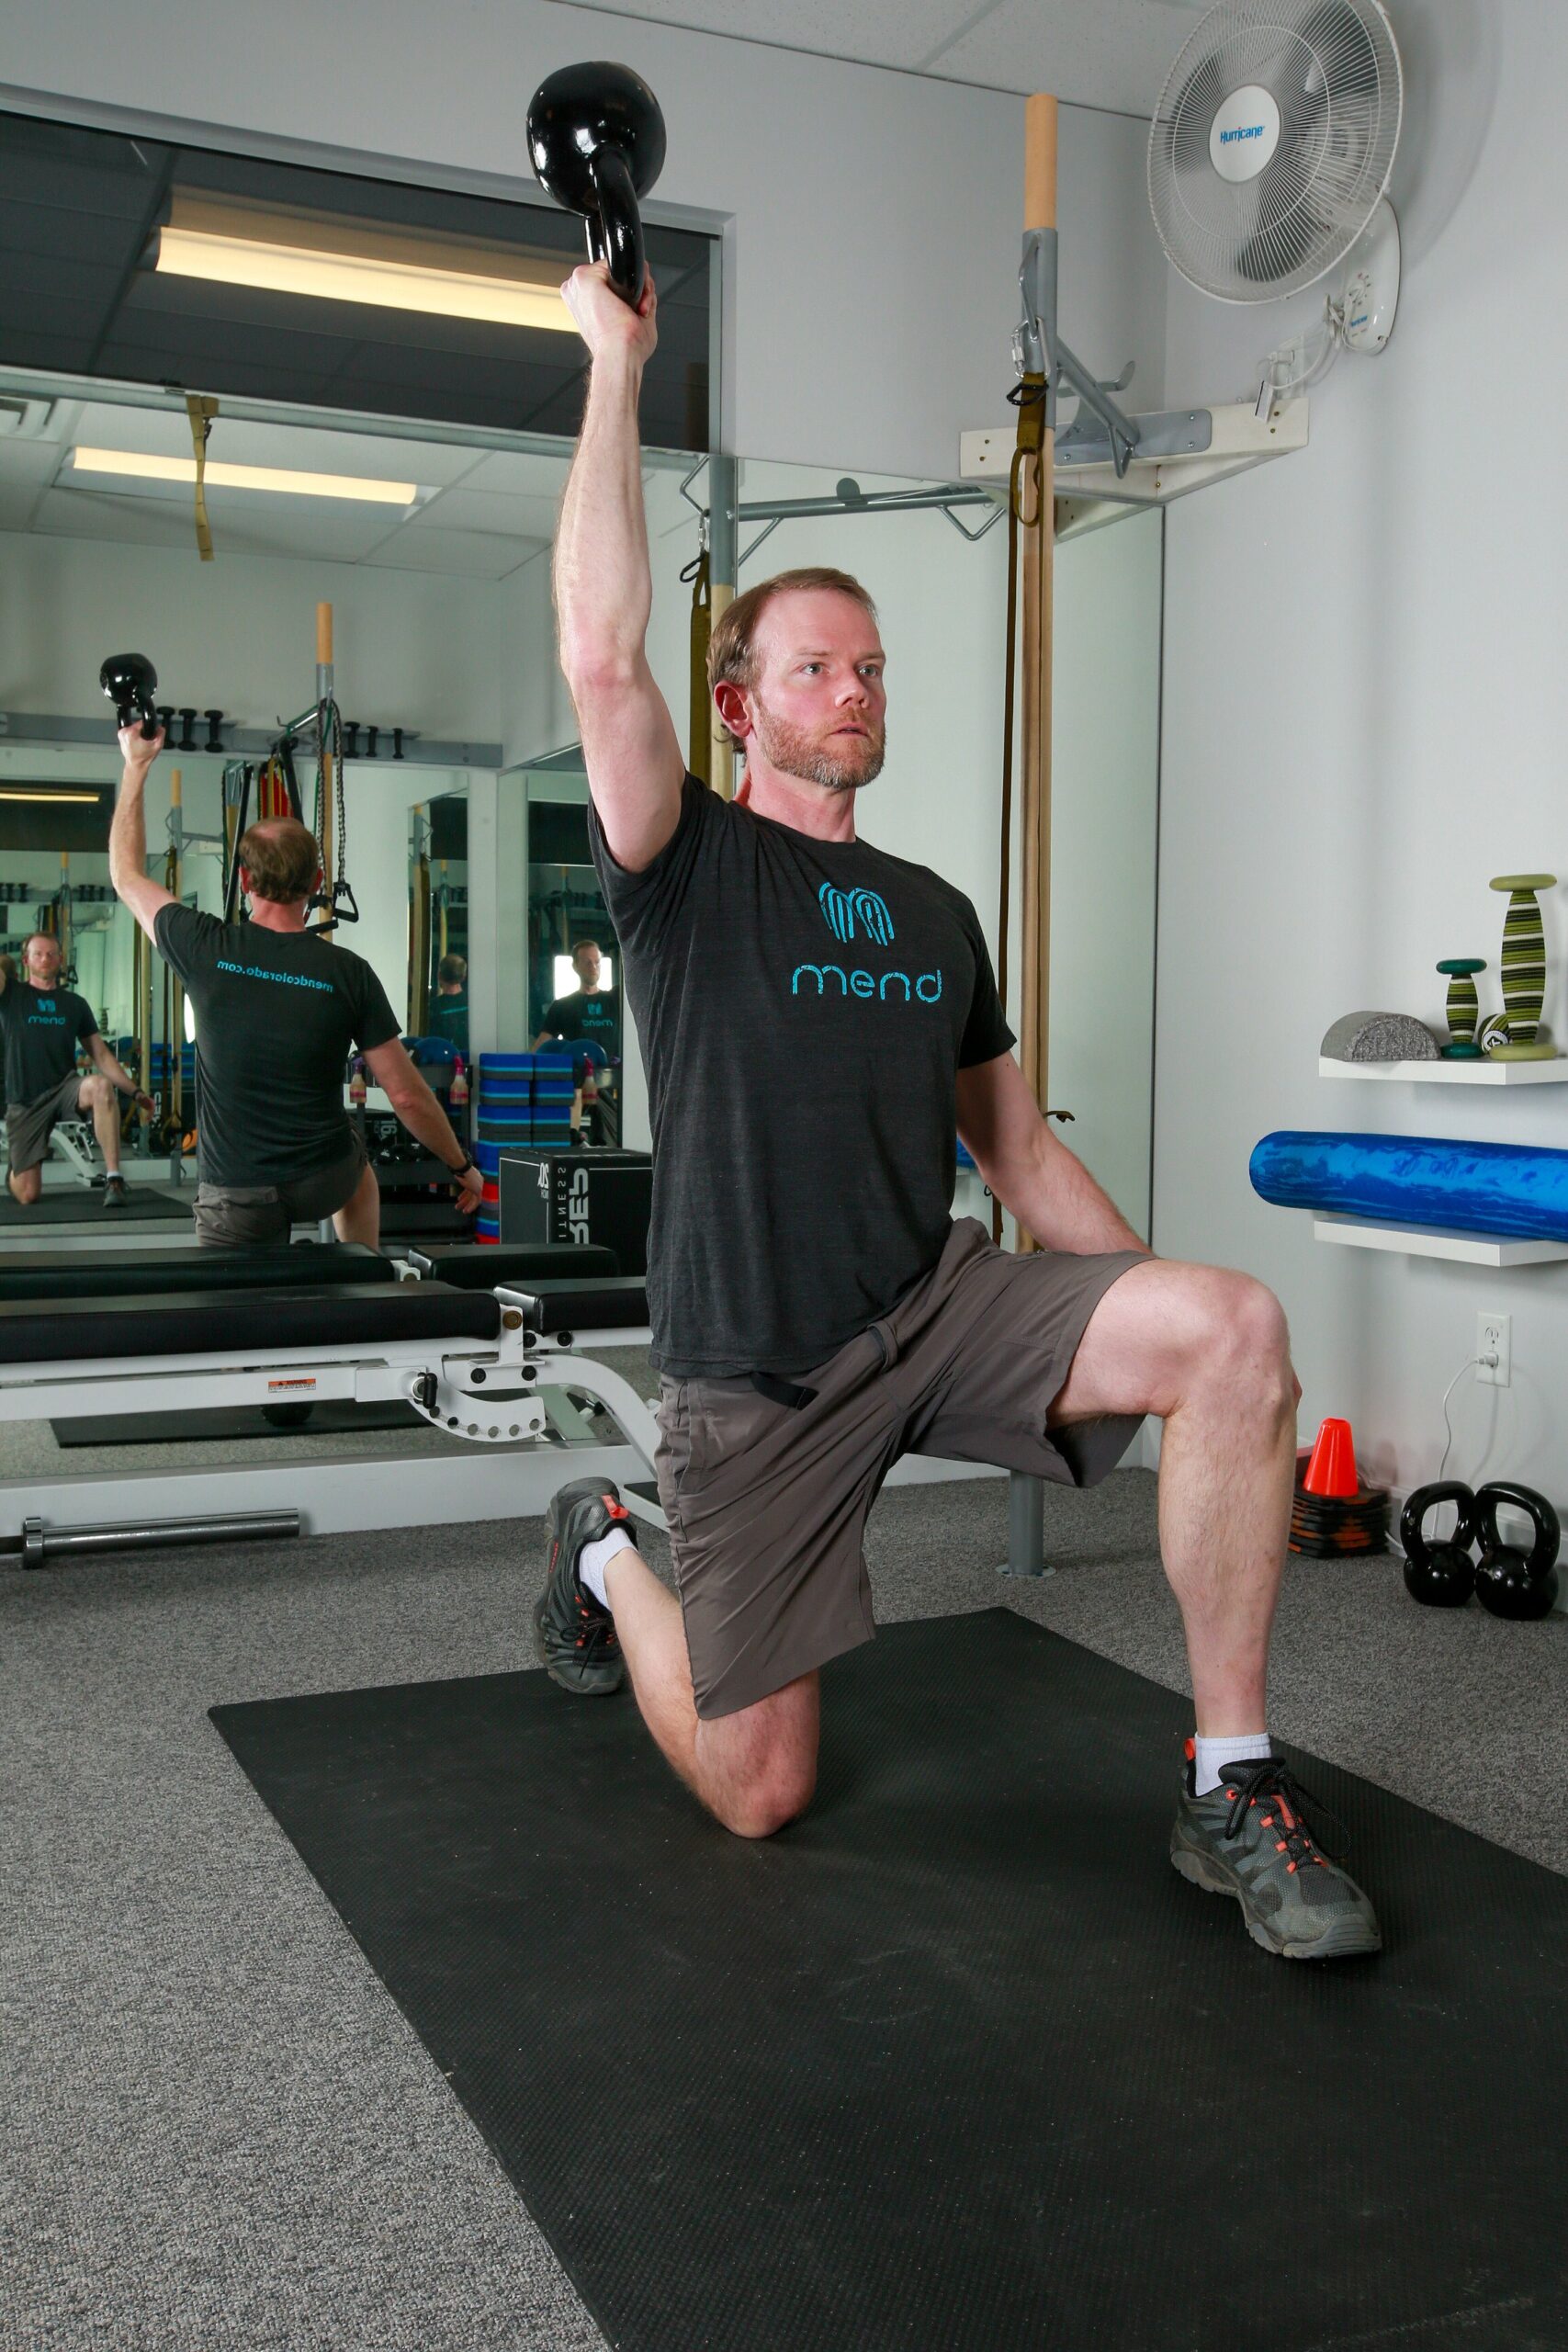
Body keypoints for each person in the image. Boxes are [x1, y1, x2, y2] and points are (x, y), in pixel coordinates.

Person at [531, 256, 1382, 1967]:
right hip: (755, 1372)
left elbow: (1010, 1149)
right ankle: (616, 1547)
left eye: (873, 667)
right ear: (741, 703)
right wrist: (614, 367)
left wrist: (1151, 1328)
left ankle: (1227, 1777)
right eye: (815, 668)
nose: (855, 690)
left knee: (1230, 1324)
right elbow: (599, 651)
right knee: (761, 1792)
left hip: (930, 1304)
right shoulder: (682, 864)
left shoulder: (931, 911)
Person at [108, 727, 485, 1249]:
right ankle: (363, 1269)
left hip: (237, 1196)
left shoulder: (202, 945)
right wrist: (461, 1165)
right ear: (316, 883)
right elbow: (406, 1096)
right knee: (359, 1172)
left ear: (244, 881)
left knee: (236, 1325)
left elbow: (126, 875)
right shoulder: (348, 971)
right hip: (322, 1179)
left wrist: (136, 765)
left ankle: (349, 1277)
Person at [0, 932, 152, 1211]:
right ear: (26, 960)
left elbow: (102, 1056)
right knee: (28, 1194)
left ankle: (114, 1179)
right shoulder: (11, 995)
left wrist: (135, 1091)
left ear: (60, 960)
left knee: (100, 1086)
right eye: (38, 954)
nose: (45, 959)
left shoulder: (74, 1004)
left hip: (65, 1090)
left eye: (51, 954)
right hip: (25, 1101)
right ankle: (17, 1169)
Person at [535, 938, 620, 1143]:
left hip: (613, 1081)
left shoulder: (615, 1000)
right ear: (575, 966)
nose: (593, 967)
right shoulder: (563, 1006)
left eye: (597, 962)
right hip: (578, 1083)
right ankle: (573, 1139)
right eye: (587, 962)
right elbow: (542, 1046)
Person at [430, 953, 469, 1056]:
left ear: (439, 976)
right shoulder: (473, 1004)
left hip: (441, 1061)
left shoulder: (433, 1007)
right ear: (464, 976)